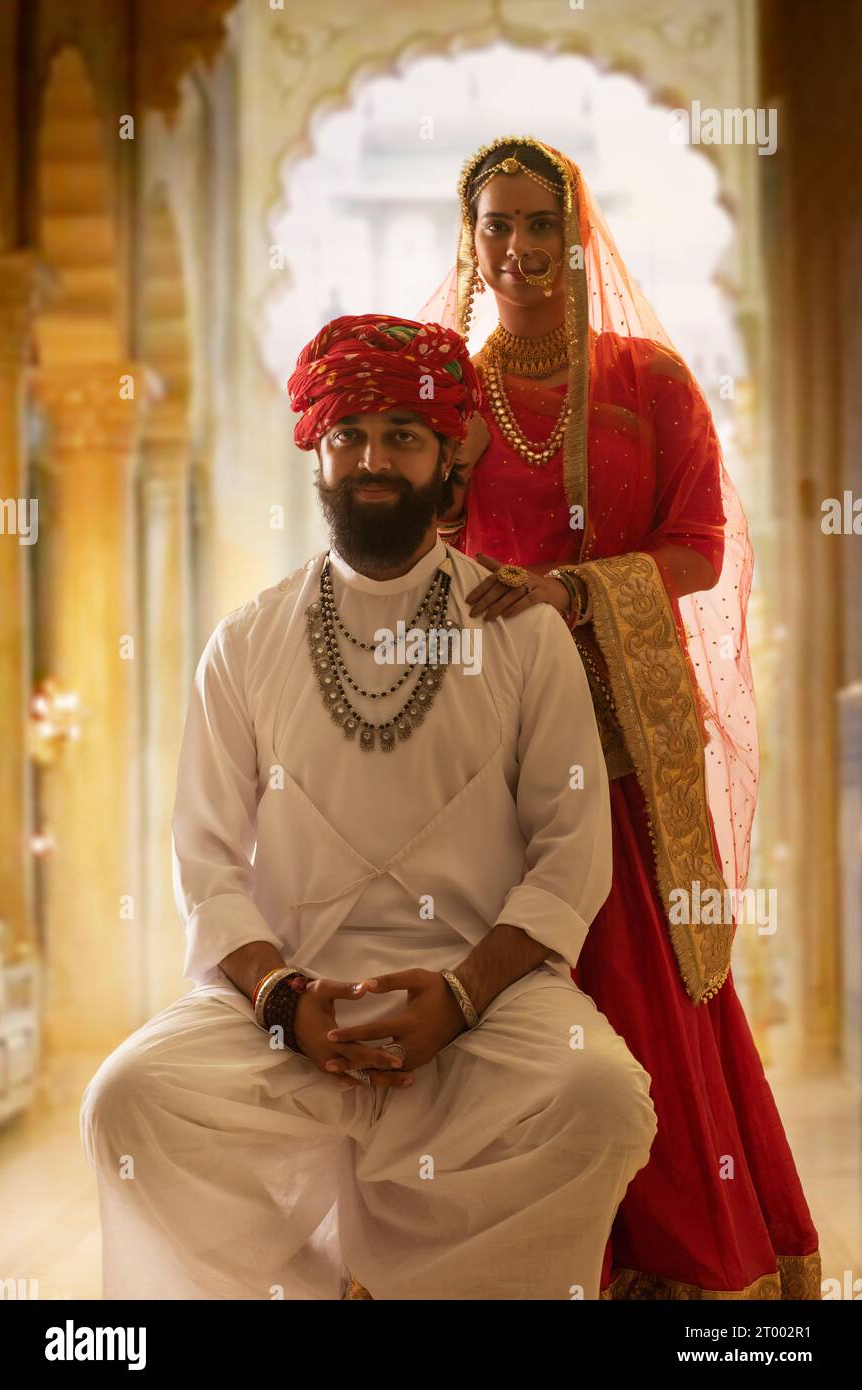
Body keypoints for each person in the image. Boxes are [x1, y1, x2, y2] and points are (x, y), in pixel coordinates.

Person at [79, 312, 658, 1301]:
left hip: (481, 1006)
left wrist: (463, 996)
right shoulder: (247, 640)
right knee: (127, 1101)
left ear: (446, 461)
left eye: (402, 434)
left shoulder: (520, 635)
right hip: (286, 1010)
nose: (372, 459)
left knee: (602, 1098)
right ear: (317, 452)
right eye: (349, 434)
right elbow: (207, 859)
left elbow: (571, 852)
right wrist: (287, 1001)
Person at [418, 136, 821, 1299]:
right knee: (512, 984)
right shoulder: (451, 396)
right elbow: (421, 547)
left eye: (541, 223)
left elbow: (699, 547)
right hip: (496, 742)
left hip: (630, 742)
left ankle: (677, 1266)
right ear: (472, 238)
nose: (520, 248)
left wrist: (573, 589)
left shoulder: (649, 380)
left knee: (643, 984)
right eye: (497, 225)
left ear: (576, 234)